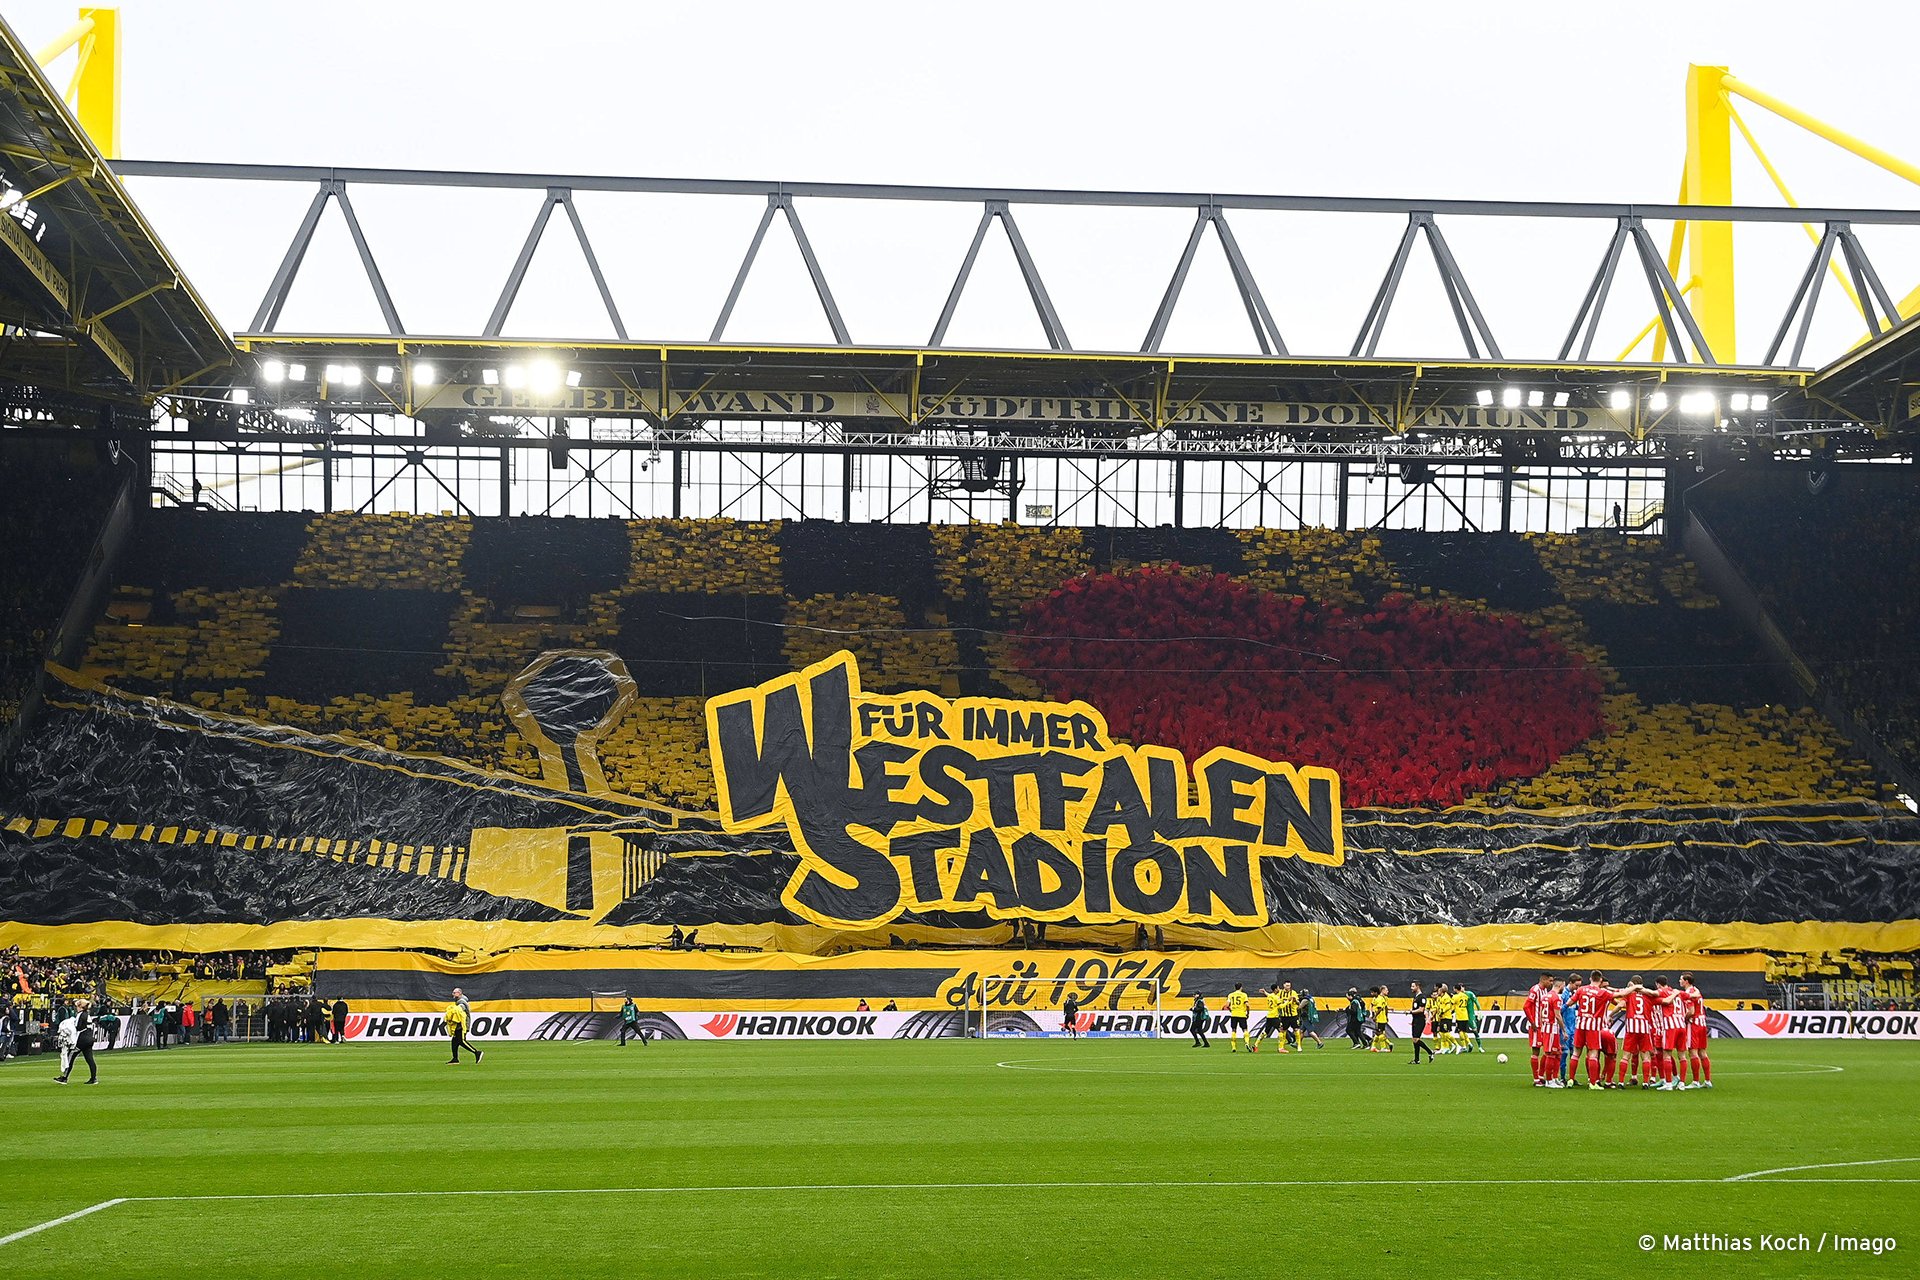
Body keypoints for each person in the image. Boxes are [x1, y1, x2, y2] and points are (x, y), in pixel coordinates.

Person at [1679, 972, 1713, 1089]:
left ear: (1686, 981)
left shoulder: (1689, 994)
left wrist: (1684, 1019)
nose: (1680, 981)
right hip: (1702, 1023)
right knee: (1702, 1052)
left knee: (1693, 1052)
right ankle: (1708, 1080)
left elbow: (1691, 1011)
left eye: (1681, 979)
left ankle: (1695, 1081)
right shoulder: (1696, 990)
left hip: (1694, 1024)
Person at [54, 1000, 98, 1085]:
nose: (76, 1008)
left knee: (70, 1057)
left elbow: (77, 1027)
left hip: (82, 1040)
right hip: (90, 1039)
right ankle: (93, 1078)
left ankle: (64, 1078)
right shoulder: (87, 1015)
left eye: (77, 1006)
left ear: (80, 1007)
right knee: (90, 1059)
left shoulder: (80, 1014)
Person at [444, 996, 484, 1065]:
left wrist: (452, 1011)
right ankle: (455, 1059)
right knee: (454, 1041)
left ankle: (477, 1052)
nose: (453, 994)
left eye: (454, 993)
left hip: (462, 1025)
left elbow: (460, 1010)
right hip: (459, 1025)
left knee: (462, 1041)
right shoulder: (460, 1001)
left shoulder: (461, 1002)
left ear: (459, 993)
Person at [1408, 982, 1433, 1064]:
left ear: (1418, 986)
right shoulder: (1416, 997)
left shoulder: (1422, 997)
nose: (1411, 988)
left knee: (1416, 1039)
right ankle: (1416, 1059)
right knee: (1414, 1040)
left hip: (1420, 1020)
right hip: (1415, 1020)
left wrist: (1411, 1011)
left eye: (1413, 986)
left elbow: (1421, 1009)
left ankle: (1430, 1052)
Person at [1225, 984, 1250, 1053]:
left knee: (1233, 1030)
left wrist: (1231, 1010)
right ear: (1241, 988)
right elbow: (1247, 1005)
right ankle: (1247, 1043)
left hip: (1234, 1015)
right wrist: (1248, 1013)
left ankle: (1233, 1047)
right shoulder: (1244, 995)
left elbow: (1226, 1005)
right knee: (1245, 1029)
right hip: (1242, 1014)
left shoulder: (1230, 995)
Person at [1368, 986, 1393, 1051]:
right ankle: (1373, 1047)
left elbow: (1380, 1009)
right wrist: (1372, 1014)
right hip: (1379, 1018)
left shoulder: (1380, 999)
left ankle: (1385, 1046)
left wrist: (1375, 1016)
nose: (1371, 994)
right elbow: (1373, 1006)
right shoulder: (1375, 999)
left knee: (1380, 1033)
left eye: (1372, 992)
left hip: (1380, 1018)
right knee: (1377, 1032)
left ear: (1376, 992)